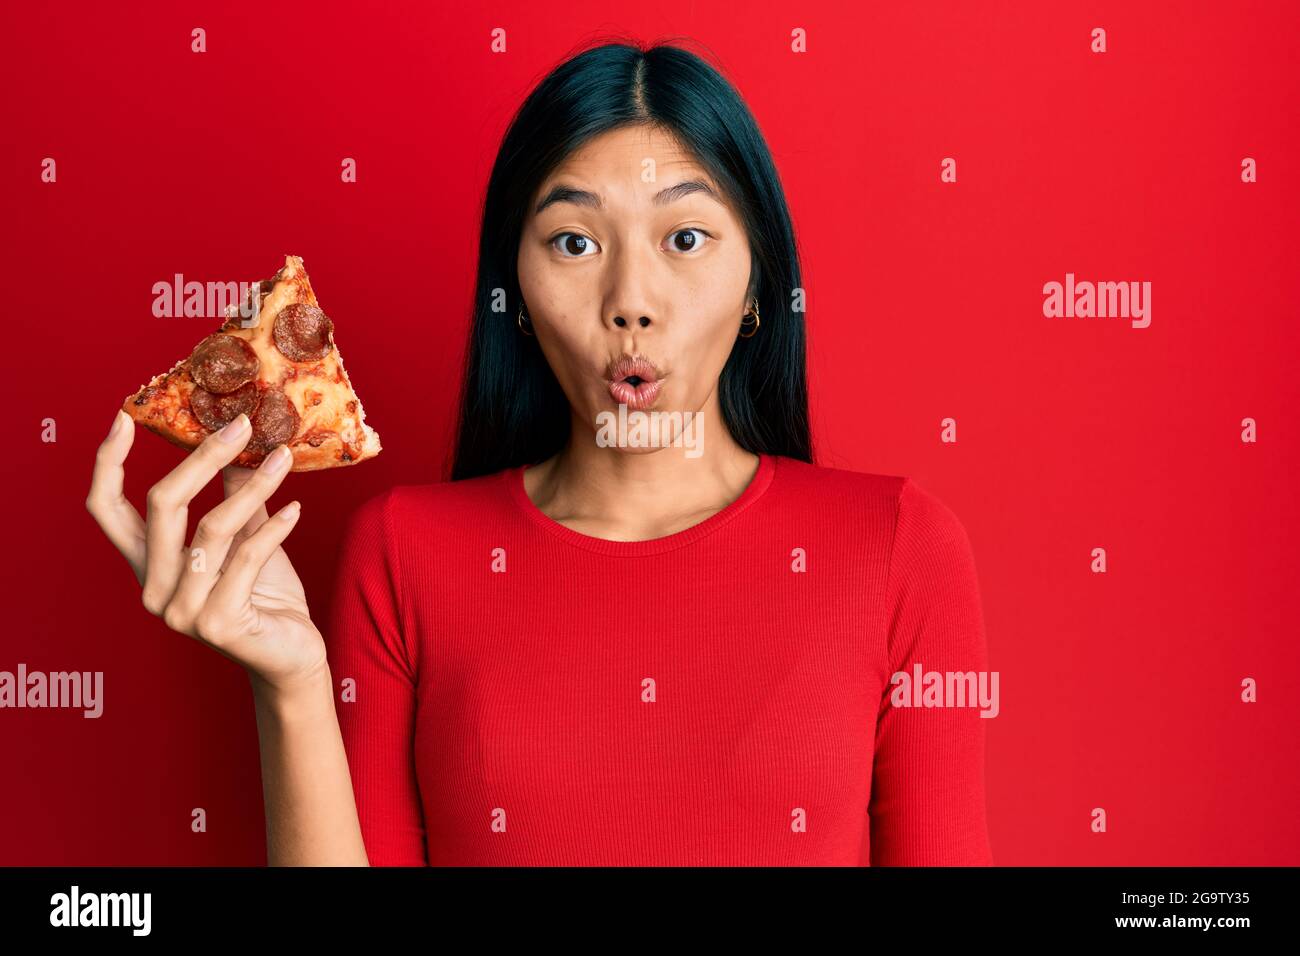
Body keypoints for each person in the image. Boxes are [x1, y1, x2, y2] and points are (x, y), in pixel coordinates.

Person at [86, 39, 993, 866]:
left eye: (685, 238)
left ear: (758, 280)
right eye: (573, 241)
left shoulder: (900, 548)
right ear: (512, 291)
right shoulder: (404, 555)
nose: (630, 299)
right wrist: (289, 682)